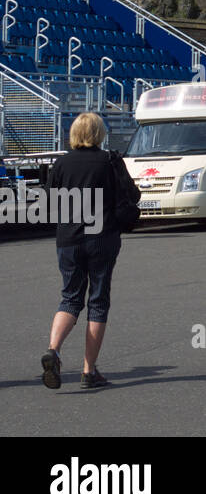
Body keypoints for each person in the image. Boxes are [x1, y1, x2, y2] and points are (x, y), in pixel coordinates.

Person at [40, 112, 136, 391]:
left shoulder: (61, 164)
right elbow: (131, 194)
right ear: (99, 134)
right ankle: (88, 370)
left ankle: (53, 350)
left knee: (69, 298)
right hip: (102, 237)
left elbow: (48, 205)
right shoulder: (109, 161)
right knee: (98, 300)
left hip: (68, 239)